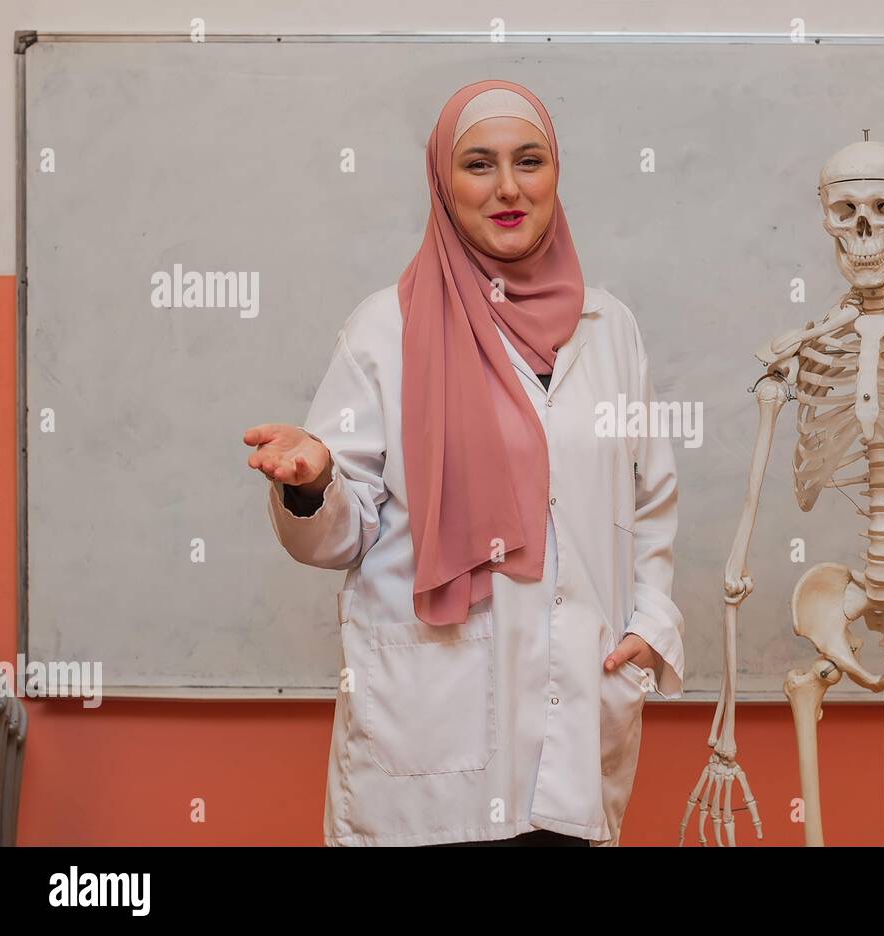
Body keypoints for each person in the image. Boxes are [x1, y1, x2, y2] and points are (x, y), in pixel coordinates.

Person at [242, 79, 684, 846]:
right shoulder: (386, 328)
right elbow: (337, 538)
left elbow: (649, 500)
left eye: (529, 160)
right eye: (479, 164)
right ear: (443, 182)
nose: (508, 187)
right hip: (429, 721)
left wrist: (651, 623)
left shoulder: (610, 329)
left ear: (556, 173)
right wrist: (315, 485)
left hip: (577, 715)